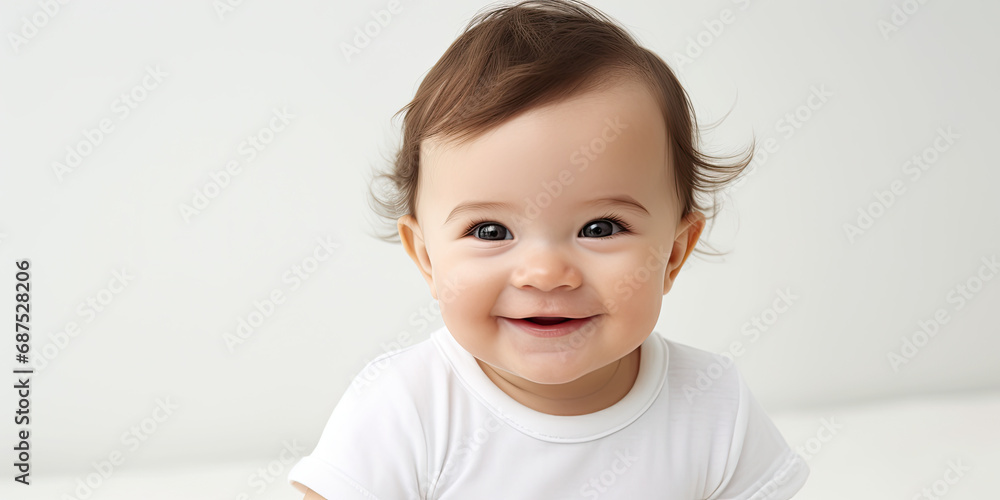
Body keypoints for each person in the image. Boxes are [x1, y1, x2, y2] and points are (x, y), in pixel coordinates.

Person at [288, 1, 810, 498]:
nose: (544, 274)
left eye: (601, 228)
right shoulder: (405, 409)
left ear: (673, 253)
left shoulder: (714, 404)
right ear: (426, 257)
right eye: (490, 232)